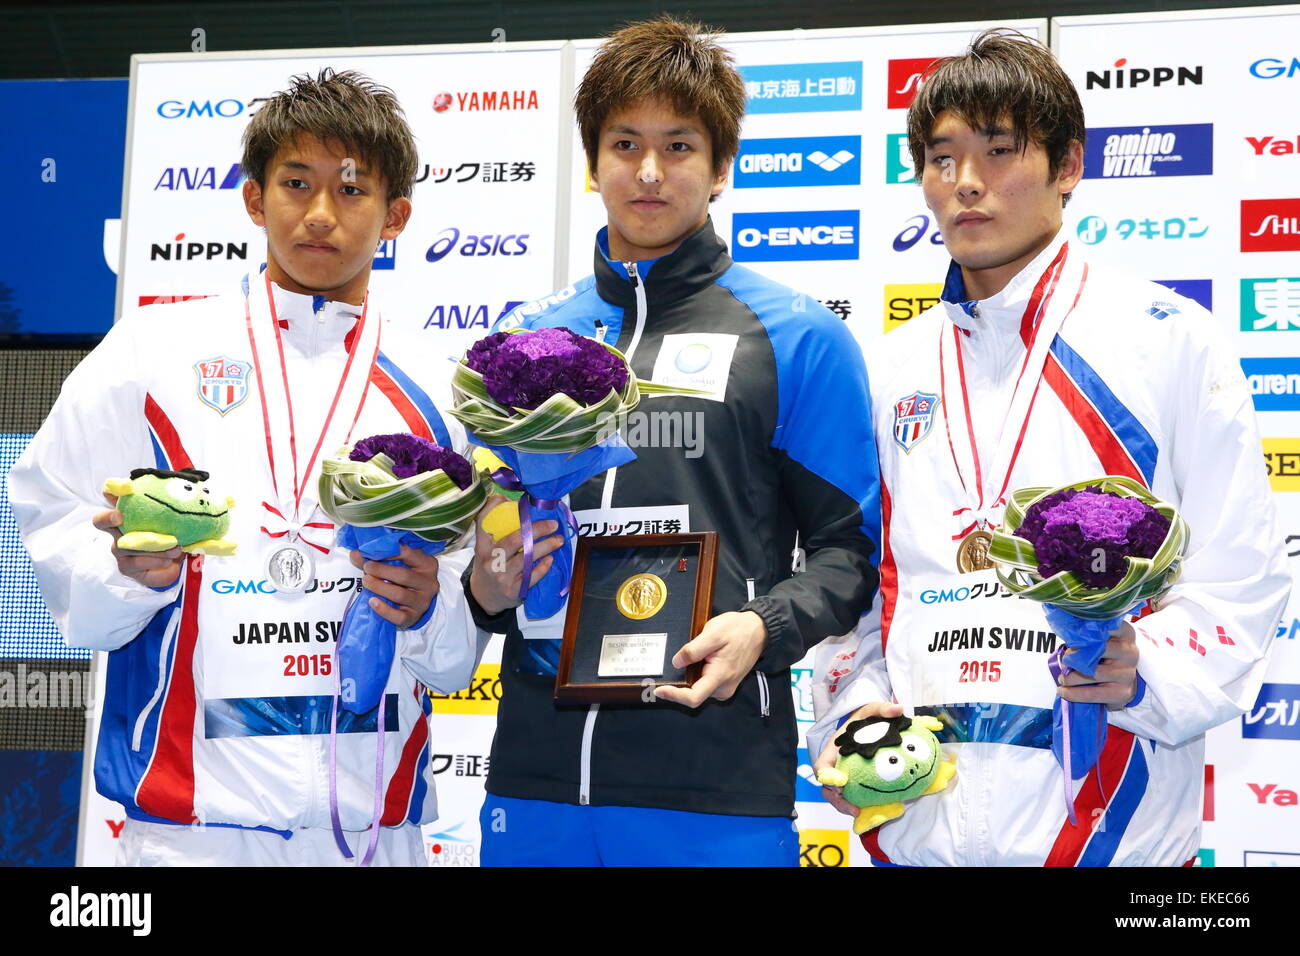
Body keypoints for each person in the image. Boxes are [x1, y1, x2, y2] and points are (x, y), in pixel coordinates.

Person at [810, 29, 1290, 866]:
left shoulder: (1168, 340)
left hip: (1115, 829)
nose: (965, 182)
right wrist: (855, 709)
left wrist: (1149, 671)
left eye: (999, 150)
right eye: (941, 155)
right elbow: (853, 576)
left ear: (1068, 165)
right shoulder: (889, 367)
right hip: (922, 827)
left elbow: (1242, 572)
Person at [11, 69, 483, 866]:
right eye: (296, 183)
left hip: (373, 831)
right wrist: (127, 569)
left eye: (353, 189)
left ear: (395, 215)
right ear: (255, 200)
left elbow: (455, 650)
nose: (322, 213)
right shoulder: (152, 352)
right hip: (190, 834)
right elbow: (48, 513)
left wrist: (431, 609)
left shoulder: (435, 386)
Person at [461, 14, 879, 866]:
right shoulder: (526, 342)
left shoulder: (797, 336)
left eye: (680, 146)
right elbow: (493, 527)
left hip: (713, 777)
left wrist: (763, 625)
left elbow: (848, 554)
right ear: (593, 162)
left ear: (721, 166)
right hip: (534, 776)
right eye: (624, 143)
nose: (649, 171)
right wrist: (488, 577)